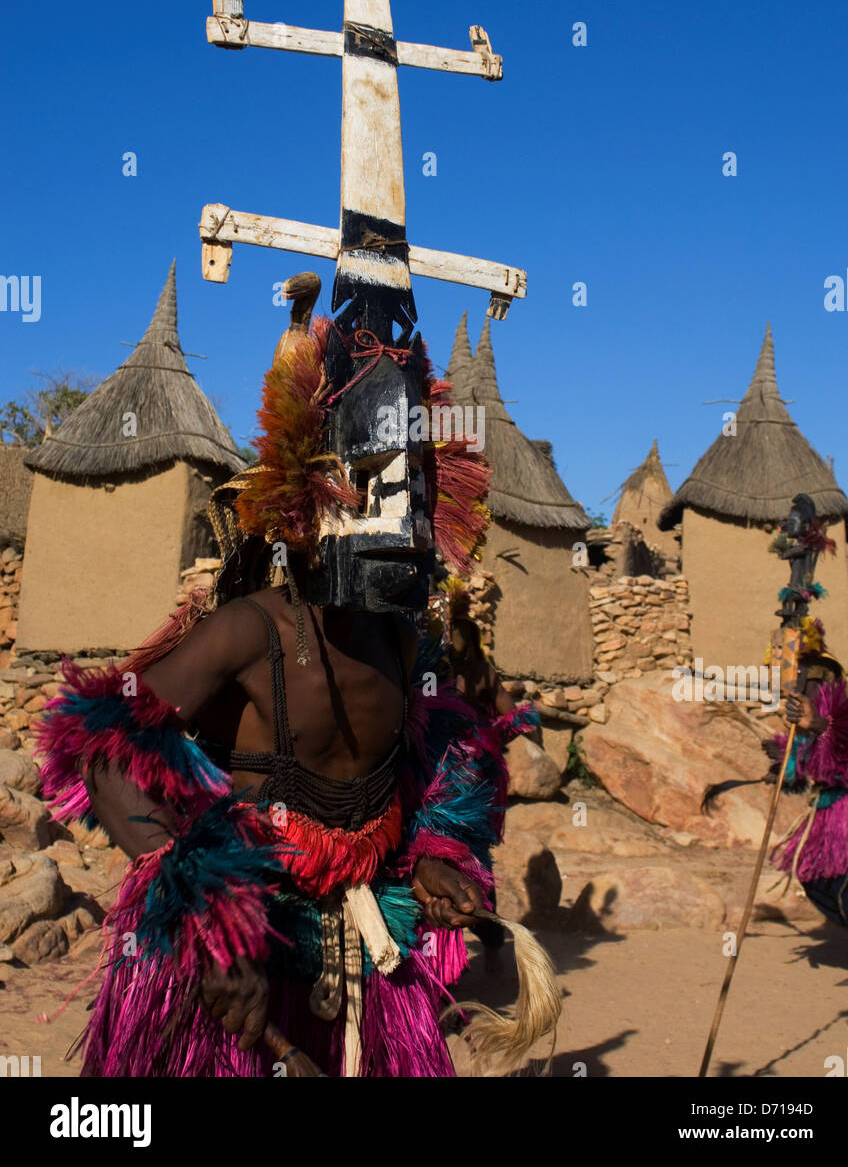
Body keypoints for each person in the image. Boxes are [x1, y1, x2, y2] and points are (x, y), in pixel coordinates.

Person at [37, 298, 549, 1076]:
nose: (399, 518)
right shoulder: (252, 630)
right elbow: (104, 748)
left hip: (362, 958)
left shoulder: (402, 638)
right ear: (313, 501)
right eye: (374, 485)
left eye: (410, 489)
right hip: (246, 954)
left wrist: (432, 857)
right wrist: (205, 915)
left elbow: (418, 771)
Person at [764, 619, 848, 985]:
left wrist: (818, 723)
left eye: (812, 680)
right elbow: (805, 769)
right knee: (814, 877)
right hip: (824, 814)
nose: (806, 687)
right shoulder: (801, 724)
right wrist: (784, 762)